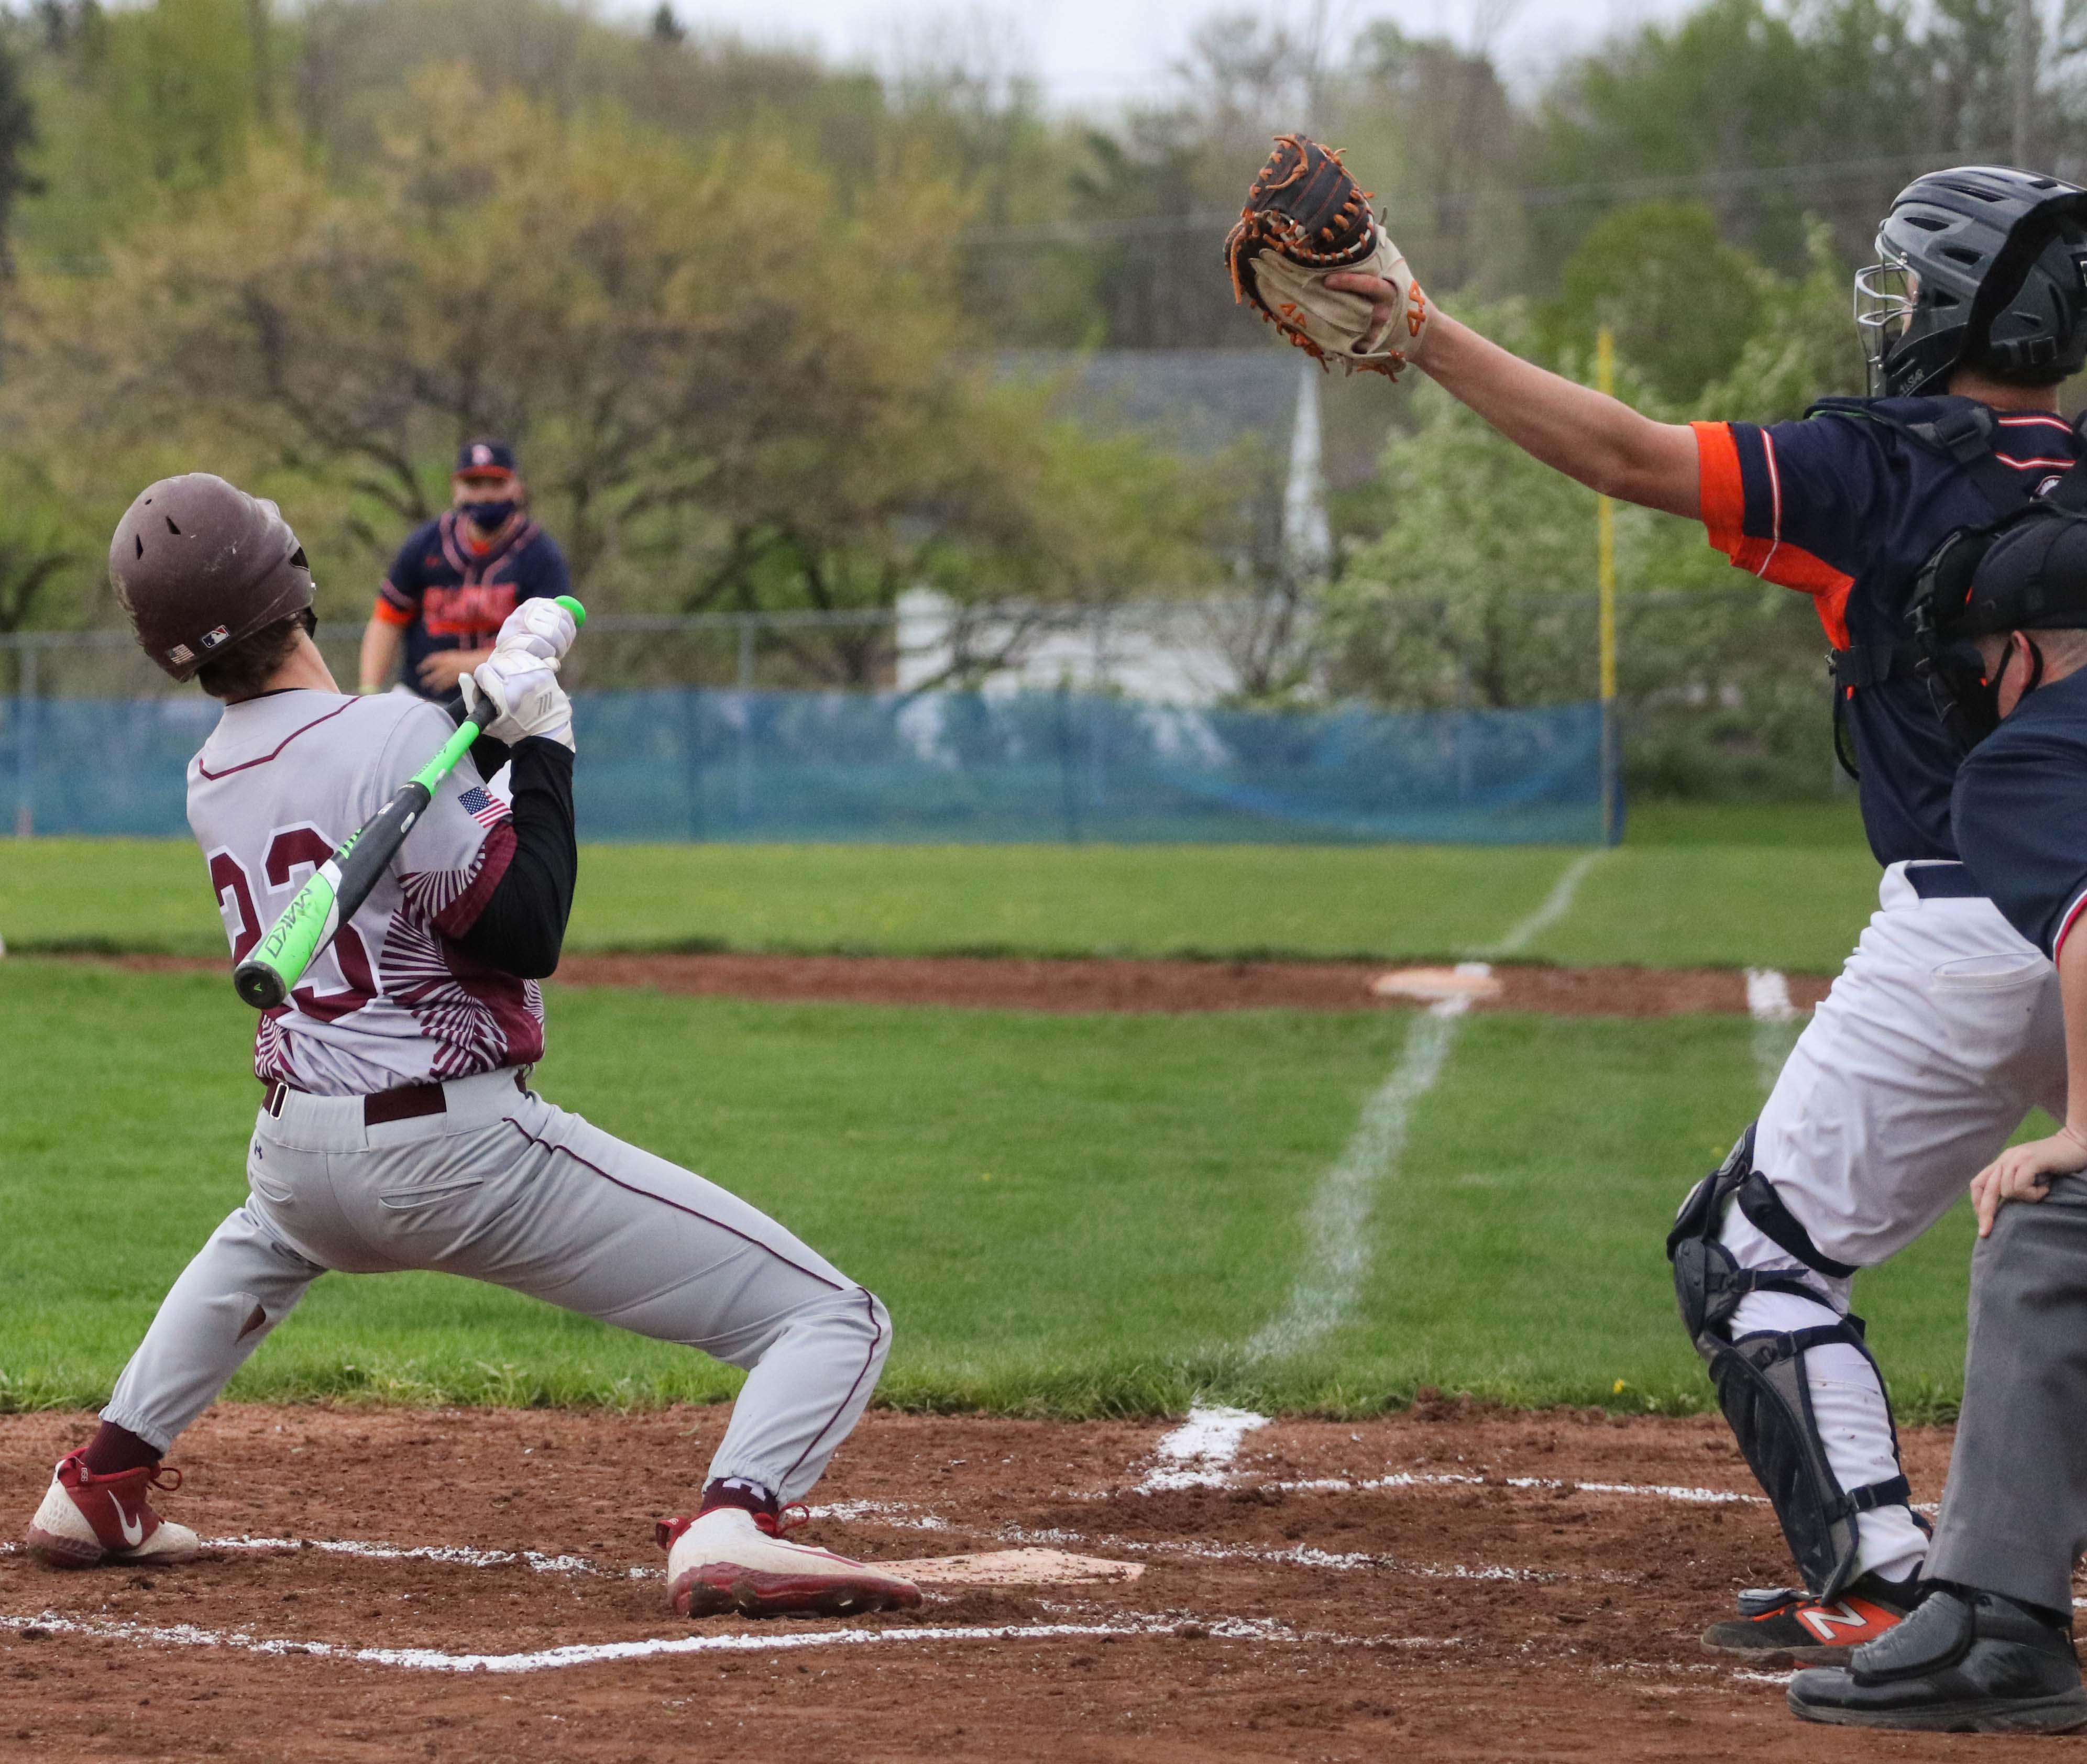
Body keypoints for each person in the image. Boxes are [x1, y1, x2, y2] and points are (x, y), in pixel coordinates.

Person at [1324, 164, 2087, 1660]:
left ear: (1955, 310)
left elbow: (1625, 456)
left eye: (1912, 289)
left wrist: (1417, 329)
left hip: (1960, 923)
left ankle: (1880, 1574)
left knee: (1752, 1255)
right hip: (2076, 926)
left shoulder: (1883, 461)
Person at [25, 472, 920, 1622]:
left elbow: (383, 788)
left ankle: (102, 1483)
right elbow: (521, 929)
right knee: (834, 1318)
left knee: (262, 1238)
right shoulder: (395, 730)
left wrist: (478, 726)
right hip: (461, 1155)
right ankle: (737, 1514)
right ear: (294, 584)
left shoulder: (210, 778)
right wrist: (547, 746)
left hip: (299, 1155)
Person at [1789, 505, 2087, 1733]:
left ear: (2024, 652)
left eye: (1978, 659)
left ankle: (2001, 1624)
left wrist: (2079, 1132)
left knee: (2049, 1226)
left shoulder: (2034, 756)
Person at [357, 439, 570, 707]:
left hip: (507, 705)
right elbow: (388, 619)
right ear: (456, 488)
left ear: (517, 487)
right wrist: (368, 691)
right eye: (474, 484)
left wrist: (473, 664)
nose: (485, 495)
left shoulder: (539, 554)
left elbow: (547, 644)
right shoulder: (426, 544)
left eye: (496, 484)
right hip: (421, 698)